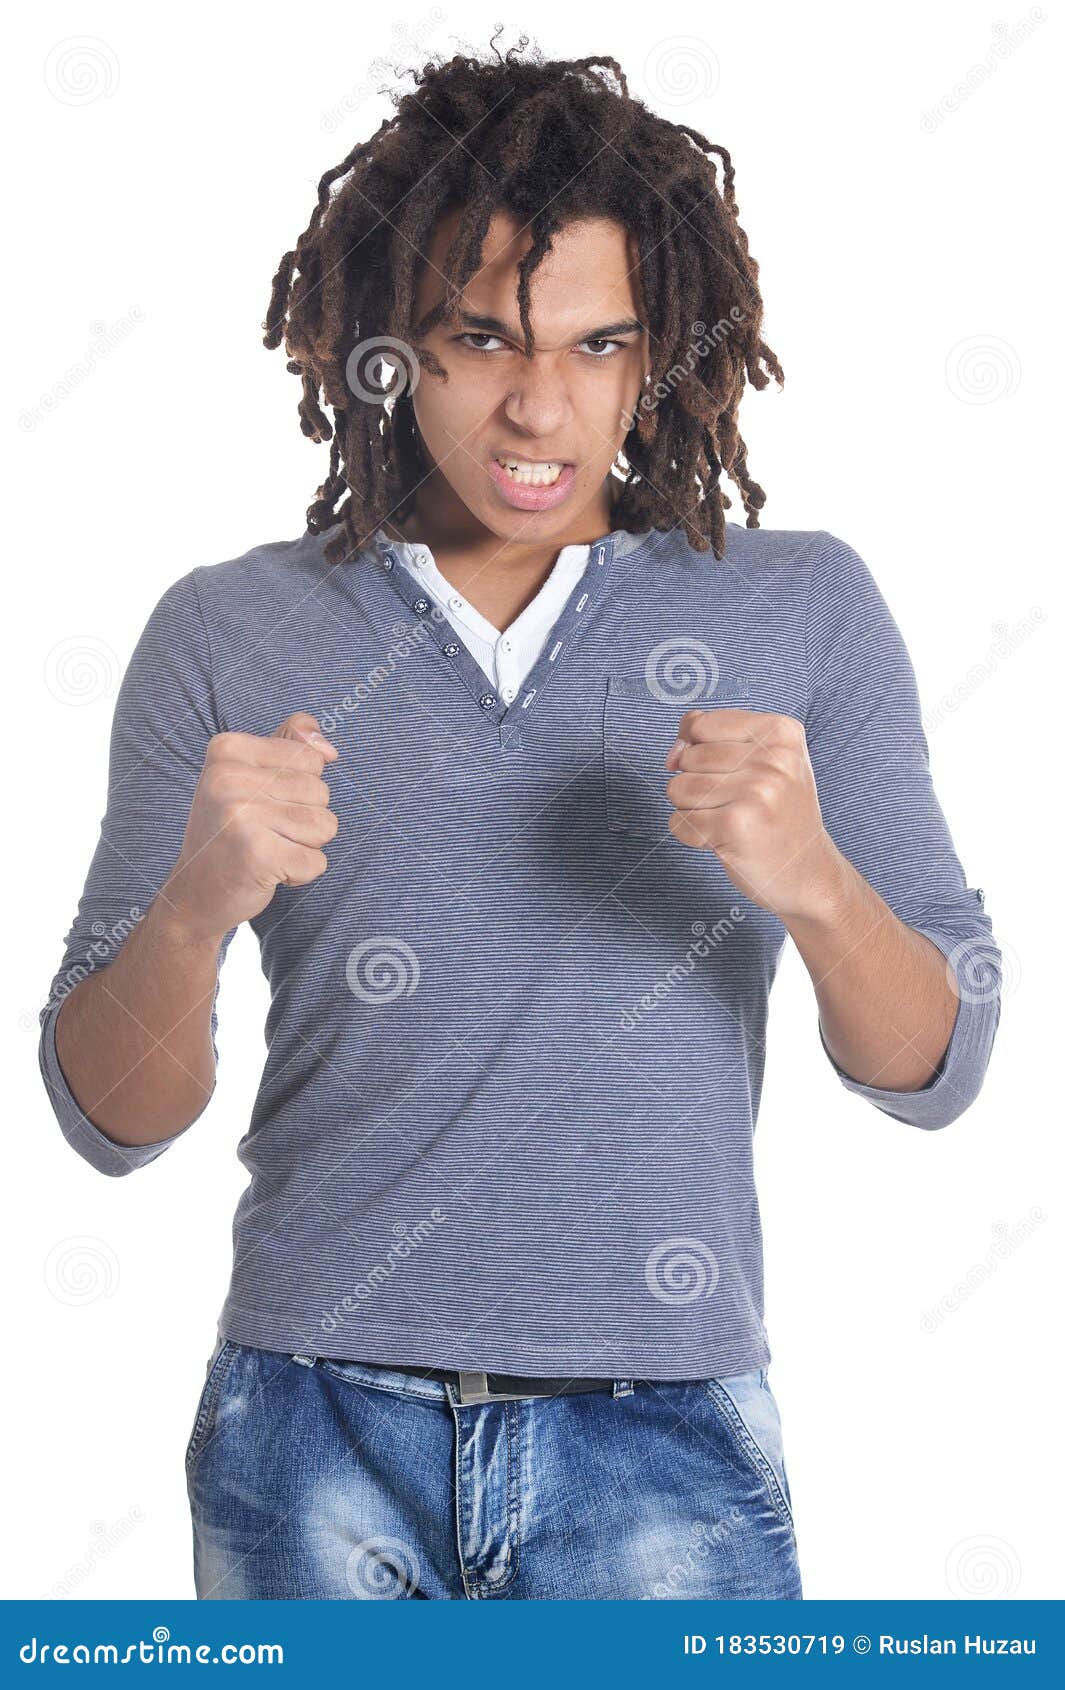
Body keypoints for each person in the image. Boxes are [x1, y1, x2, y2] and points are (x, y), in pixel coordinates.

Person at [38, 42, 1002, 1601]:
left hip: (662, 1429)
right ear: (385, 351)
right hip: (308, 1420)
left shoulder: (801, 606)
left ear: (655, 351)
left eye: (595, 344)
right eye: (476, 338)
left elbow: (938, 1071)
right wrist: (195, 904)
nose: (539, 404)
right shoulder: (225, 632)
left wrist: (816, 883)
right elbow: (106, 1116)